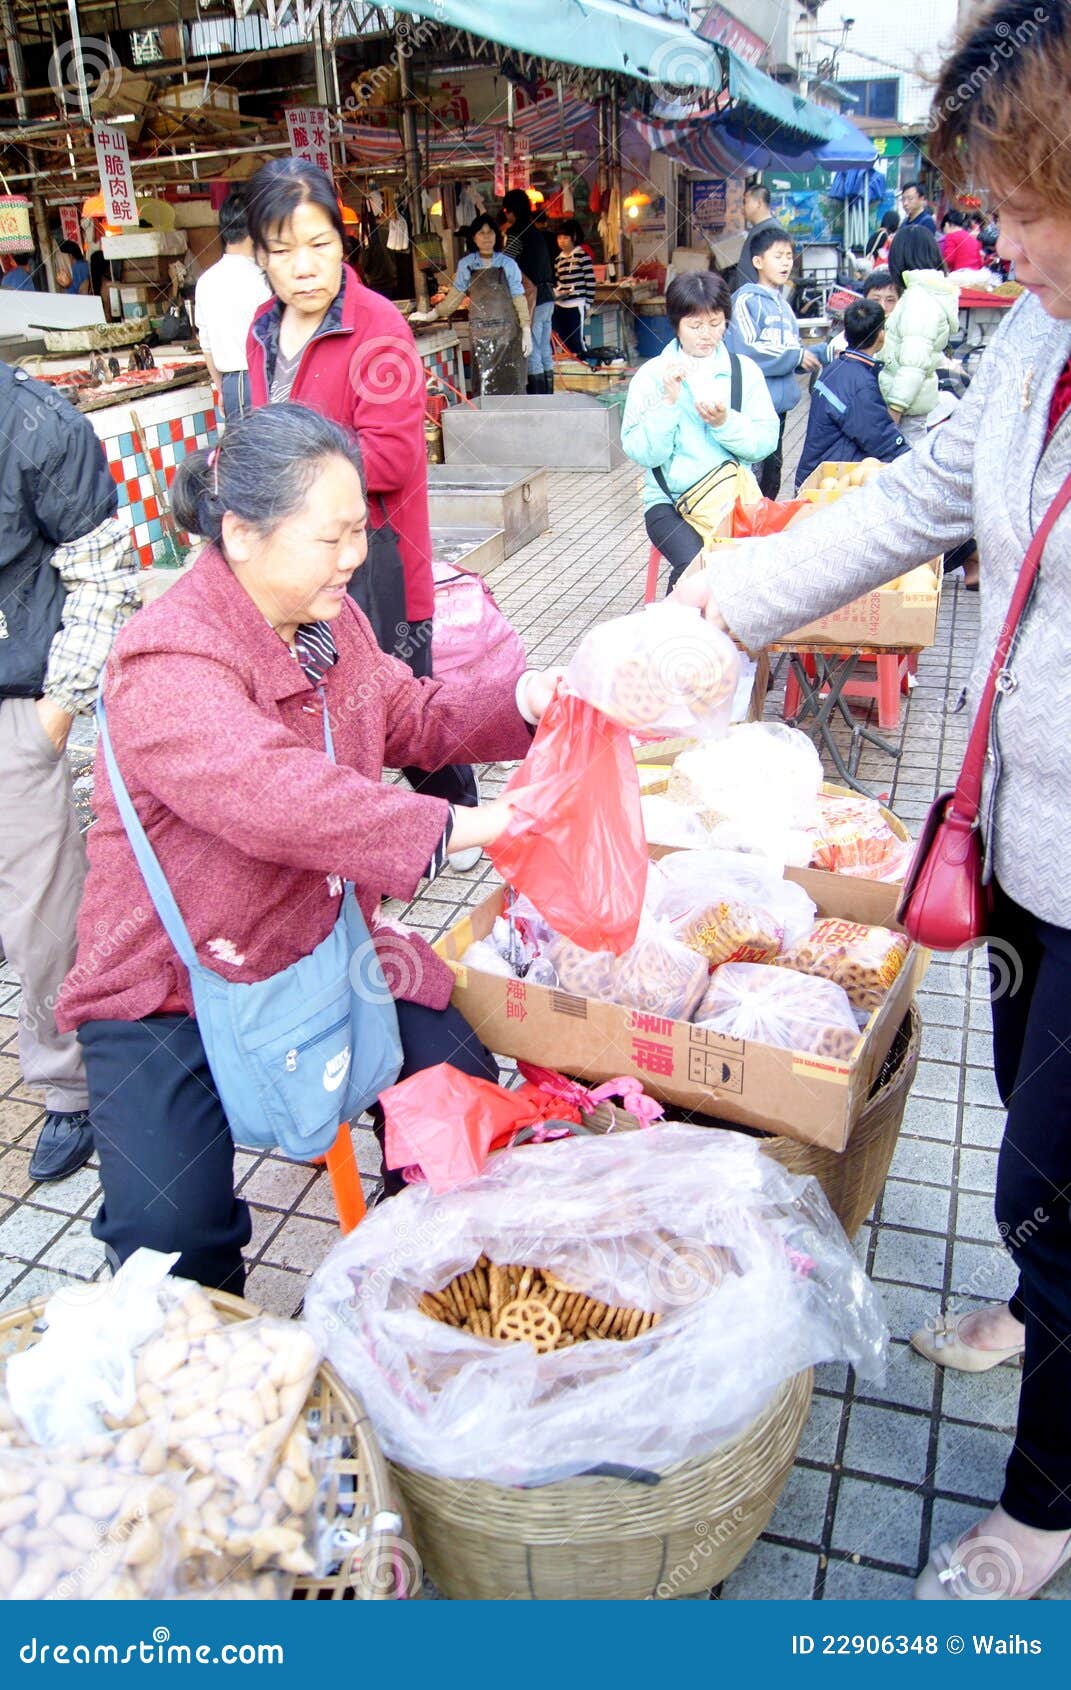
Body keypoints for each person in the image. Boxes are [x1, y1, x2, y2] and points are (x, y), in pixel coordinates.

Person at [676, 0, 1071, 1602]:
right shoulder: (1034, 332)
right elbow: (918, 494)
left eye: (1027, 205)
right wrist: (724, 600)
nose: (999, 239)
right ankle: (1027, 1295)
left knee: (1059, 1178)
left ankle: (1044, 1499)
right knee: (1022, 1145)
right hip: (1024, 837)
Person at [54, 405, 561, 1292]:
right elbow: (277, 797)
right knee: (171, 1238)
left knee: (458, 1084)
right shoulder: (167, 658)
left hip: (324, 946)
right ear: (242, 535)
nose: (353, 557)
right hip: (171, 986)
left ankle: (433, 1282)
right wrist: (462, 828)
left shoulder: (332, 625)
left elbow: (408, 713)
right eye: (328, 538)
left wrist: (527, 698)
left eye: (357, 531)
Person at [244, 159, 480, 866]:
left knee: (397, 700)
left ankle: (459, 813)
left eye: (318, 244)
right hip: (294, 561)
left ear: (342, 244)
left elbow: (394, 459)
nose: (302, 267)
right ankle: (353, 834)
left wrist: (292, 479)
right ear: (259, 256)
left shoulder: (376, 326)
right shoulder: (262, 327)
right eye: (282, 250)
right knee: (329, 702)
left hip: (372, 556)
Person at [0, 364, 139, 1184]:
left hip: (17, 706)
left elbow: (104, 572)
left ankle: (68, 1087)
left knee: (40, 912)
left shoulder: (36, 423)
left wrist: (57, 710)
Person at [621, 272, 778, 590]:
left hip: (733, 499)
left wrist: (724, 423)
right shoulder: (651, 376)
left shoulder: (743, 371)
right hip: (669, 502)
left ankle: (725, 638)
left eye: (716, 323)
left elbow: (764, 443)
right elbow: (643, 452)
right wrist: (668, 404)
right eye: (695, 326)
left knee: (756, 574)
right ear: (676, 323)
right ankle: (678, 638)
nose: (706, 334)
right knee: (697, 569)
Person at [726, 227, 825, 499]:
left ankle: (764, 533)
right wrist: (795, 357)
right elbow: (748, 351)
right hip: (753, 410)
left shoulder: (784, 305)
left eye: (789, 256)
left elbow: (790, 352)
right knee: (751, 481)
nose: (785, 262)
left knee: (771, 477)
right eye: (778, 256)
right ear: (758, 262)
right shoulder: (745, 300)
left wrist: (816, 355)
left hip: (778, 413)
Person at [795, 299, 907, 489]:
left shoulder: (835, 367)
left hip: (811, 471)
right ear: (880, 335)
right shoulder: (859, 384)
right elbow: (881, 438)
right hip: (829, 481)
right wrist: (912, 460)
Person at [416, 214, 531, 396]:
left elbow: (519, 297)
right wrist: (431, 315)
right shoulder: (466, 265)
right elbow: (454, 298)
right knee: (484, 390)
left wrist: (526, 330)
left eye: (490, 232)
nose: (486, 237)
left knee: (512, 388)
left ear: (497, 235)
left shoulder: (508, 264)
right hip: (480, 337)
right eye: (481, 233)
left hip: (508, 336)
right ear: (473, 237)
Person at [193, 187, 271, 422]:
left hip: (232, 383)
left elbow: (205, 345)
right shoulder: (264, 278)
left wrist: (221, 388)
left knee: (243, 454)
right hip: (263, 379)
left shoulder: (205, 281)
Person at [880, 226, 960, 441]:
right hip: (912, 403)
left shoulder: (918, 300)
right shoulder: (926, 292)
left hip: (906, 409)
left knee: (904, 463)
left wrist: (895, 408)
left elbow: (914, 364)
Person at [502, 188, 556, 394]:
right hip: (548, 298)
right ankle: (547, 399)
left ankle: (538, 401)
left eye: (506, 210)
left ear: (511, 211)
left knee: (531, 351)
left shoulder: (517, 233)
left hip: (533, 300)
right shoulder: (535, 232)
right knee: (544, 351)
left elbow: (505, 264)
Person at [553, 220, 596, 356]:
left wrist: (588, 304)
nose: (562, 241)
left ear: (574, 238)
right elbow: (557, 281)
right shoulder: (558, 260)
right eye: (559, 238)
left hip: (577, 304)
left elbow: (590, 281)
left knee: (577, 340)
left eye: (565, 237)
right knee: (563, 338)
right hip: (561, 304)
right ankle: (570, 364)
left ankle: (584, 362)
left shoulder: (582, 256)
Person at [733, 183, 785, 287]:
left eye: (745, 202)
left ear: (759, 203)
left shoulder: (771, 230)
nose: (742, 208)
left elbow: (773, 271)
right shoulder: (759, 228)